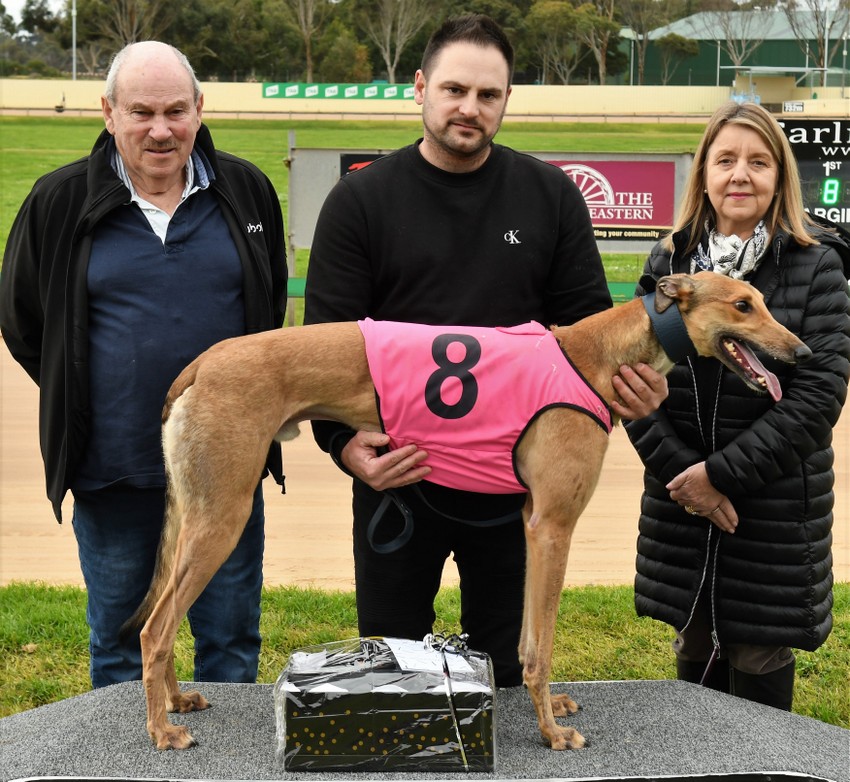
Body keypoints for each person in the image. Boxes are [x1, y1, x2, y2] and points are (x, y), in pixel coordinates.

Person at [304, 14, 668, 687]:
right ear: (419, 89)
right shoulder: (360, 202)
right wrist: (341, 444)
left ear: (506, 101)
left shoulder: (551, 197)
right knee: (393, 680)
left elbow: (589, 337)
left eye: (488, 95)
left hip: (511, 486)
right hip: (401, 479)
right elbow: (327, 343)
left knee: (501, 680)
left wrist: (632, 389)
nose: (469, 108)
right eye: (454, 89)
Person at [0, 41, 287, 688]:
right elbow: (23, 321)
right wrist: (83, 391)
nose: (161, 129)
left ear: (199, 109)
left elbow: (267, 312)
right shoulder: (57, 202)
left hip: (224, 473)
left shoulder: (246, 191)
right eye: (141, 112)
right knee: (120, 647)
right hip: (112, 475)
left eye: (176, 111)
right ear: (108, 113)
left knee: (232, 643)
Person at [624, 101, 850, 710]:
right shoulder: (668, 262)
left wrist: (719, 477)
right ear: (704, 173)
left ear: (780, 175)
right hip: (680, 502)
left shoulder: (815, 263)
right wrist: (684, 477)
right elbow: (633, 386)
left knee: (757, 651)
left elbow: (818, 396)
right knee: (695, 642)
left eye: (758, 161)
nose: (740, 175)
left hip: (771, 505)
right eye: (725, 160)